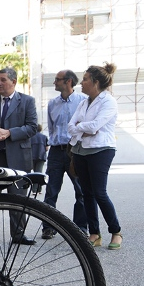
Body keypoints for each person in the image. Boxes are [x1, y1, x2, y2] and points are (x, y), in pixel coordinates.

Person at [0, 67, 38, 247]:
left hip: (17, 158)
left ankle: (18, 234)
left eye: (3, 80)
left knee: (18, 198)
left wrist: (9, 133)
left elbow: (32, 127)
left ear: (14, 82)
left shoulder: (27, 101)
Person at [68, 63, 122, 250]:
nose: (81, 83)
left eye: (84, 79)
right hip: (81, 150)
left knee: (99, 192)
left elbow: (94, 126)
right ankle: (94, 234)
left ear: (95, 82)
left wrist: (81, 127)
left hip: (102, 149)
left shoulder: (108, 101)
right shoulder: (83, 102)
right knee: (86, 193)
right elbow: (70, 126)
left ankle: (116, 232)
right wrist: (84, 128)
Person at [41, 70, 88, 239]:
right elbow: (52, 128)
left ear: (68, 82)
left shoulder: (83, 101)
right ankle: (48, 227)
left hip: (75, 150)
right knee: (51, 191)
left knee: (81, 190)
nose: (54, 82)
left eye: (57, 80)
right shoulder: (52, 103)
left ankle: (80, 229)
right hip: (55, 151)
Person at [30, 124, 48, 193]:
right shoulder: (44, 137)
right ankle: (38, 189)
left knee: (35, 172)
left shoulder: (31, 137)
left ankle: (34, 189)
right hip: (41, 156)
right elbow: (46, 148)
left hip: (32, 156)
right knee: (39, 172)